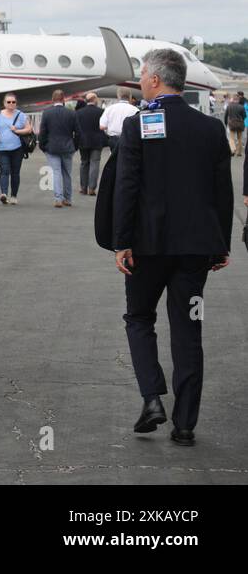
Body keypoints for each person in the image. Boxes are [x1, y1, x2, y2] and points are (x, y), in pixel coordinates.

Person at [113, 49, 232, 446]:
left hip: (147, 248)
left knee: (139, 318)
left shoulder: (139, 124)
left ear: (155, 79)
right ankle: (185, 424)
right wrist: (221, 245)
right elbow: (222, 193)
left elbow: (127, 187)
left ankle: (151, 399)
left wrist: (122, 242)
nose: (141, 79)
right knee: (188, 329)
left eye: (143, 73)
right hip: (196, 250)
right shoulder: (211, 129)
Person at [0, 93, 33, 204]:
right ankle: (4, 194)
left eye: (13, 102)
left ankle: (14, 196)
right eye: (8, 102)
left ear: (16, 103)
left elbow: (29, 129)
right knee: (4, 170)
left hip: (17, 148)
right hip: (2, 148)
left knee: (15, 172)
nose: (11, 104)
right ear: (4, 103)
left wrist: (17, 131)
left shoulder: (21, 115)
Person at [39, 90, 78, 207]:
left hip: (52, 147)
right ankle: (68, 198)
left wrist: (43, 146)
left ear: (52, 99)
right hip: (67, 147)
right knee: (67, 174)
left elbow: (42, 132)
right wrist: (75, 146)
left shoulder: (47, 113)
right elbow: (78, 132)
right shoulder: (71, 113)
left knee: (56, 172)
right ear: (63, 99)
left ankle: (58, 198)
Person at [76, 92, 107, 195]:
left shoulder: (79, 112)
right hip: (97, 141)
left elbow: (77, 128)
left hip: (83, 141)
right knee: (95, 163)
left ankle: (83, 188)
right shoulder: (101, 111)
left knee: (84, 163)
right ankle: (92, 189)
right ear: (94, 99)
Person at [102, 89, 141, 154]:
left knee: (114, 161)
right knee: (127, 160)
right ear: (130, 96)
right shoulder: (135, 109)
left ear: (118, 96)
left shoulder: (109, 108)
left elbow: (102, 126)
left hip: (113, 139)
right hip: (129, 139)